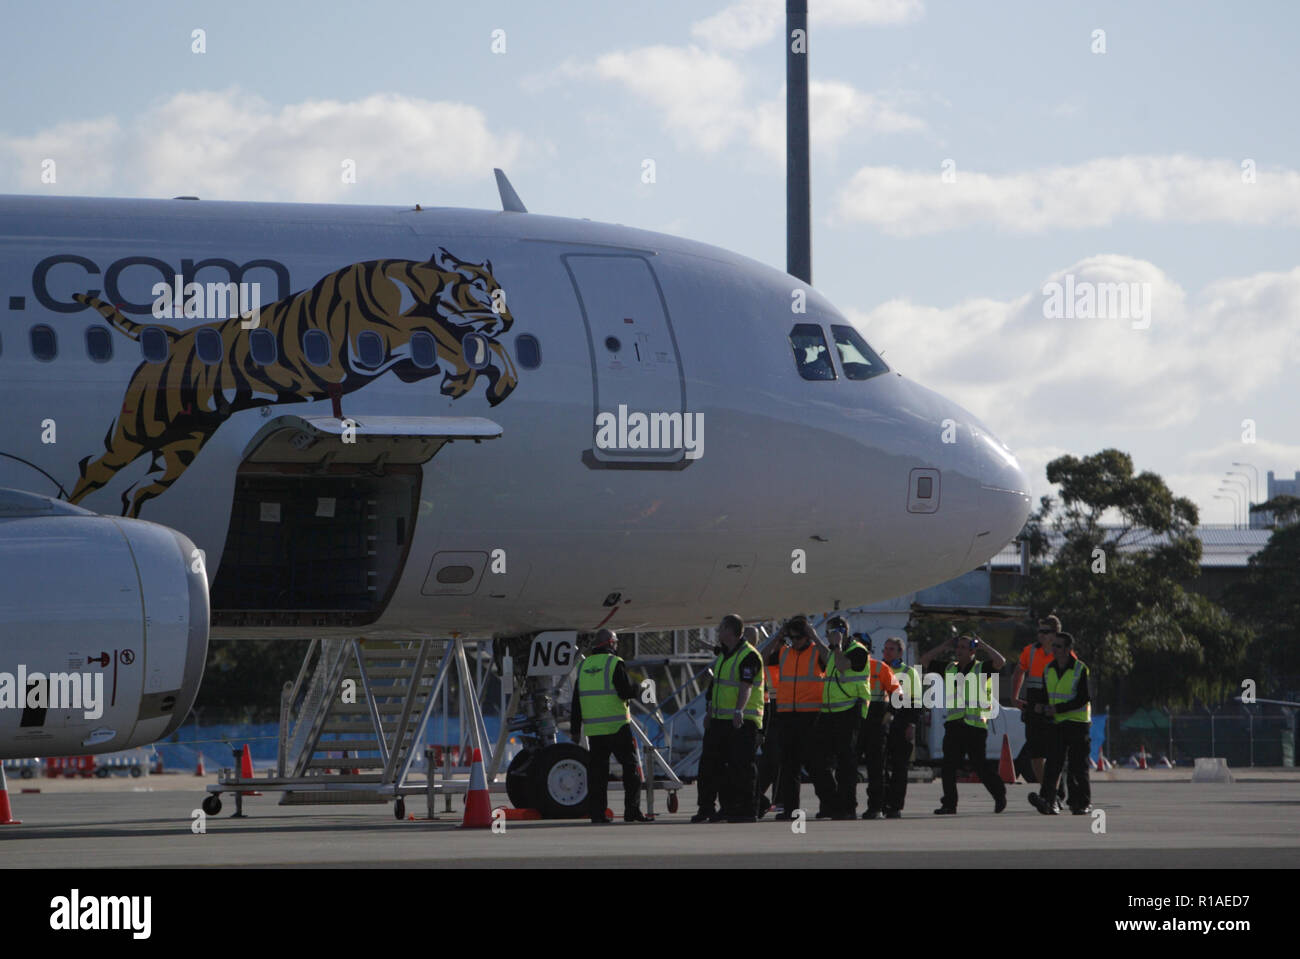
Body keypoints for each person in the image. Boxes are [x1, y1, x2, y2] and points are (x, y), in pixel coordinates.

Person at [920, 634, 1007, 815]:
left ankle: (999, 795)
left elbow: (1000, 661)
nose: (958, 651)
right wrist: (944, 645)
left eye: (963, 648)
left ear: (972, 651)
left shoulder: (982, 668)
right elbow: (925, 660)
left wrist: (984, 644)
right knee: (948, 767)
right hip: (954, 725)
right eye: (957, 647)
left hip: (975, 727)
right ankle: (949, 804)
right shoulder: (950, 668)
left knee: (980, 767)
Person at [571, 629, 649, 823]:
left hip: (594, 731)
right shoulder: (614, 663)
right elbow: (625, 692)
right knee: (630, 770)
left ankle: (597, 814)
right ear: (610, 644)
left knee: (597, 774)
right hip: (617, 727)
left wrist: (575, 730)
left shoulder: (583, 666)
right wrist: (638, 688)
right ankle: (632, 811)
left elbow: (576, 701)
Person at [693, 614, 765, 823]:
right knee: (710, 766)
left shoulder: (749, 656)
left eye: (721, 628)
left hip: (741, 720)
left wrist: (738, 711)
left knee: (741, 766)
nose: (718, 631)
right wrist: (709, 712)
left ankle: (746, 809)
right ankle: (709, 808)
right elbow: (717, 687)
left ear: (731, 631)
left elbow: (746, 686)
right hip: (718, 719)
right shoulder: (725, 655)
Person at [764, 615, 829, 820]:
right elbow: (762, 659)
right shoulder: (784, 652)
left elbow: (831, 661)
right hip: (787, 716)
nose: (796, 642)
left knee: (816, 765)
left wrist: (815, 637)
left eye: (799, 638)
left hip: (810, 717)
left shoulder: (815, 652)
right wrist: (778, 637)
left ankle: (830, 805)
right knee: (789, 766)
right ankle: (790, 809)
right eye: (793, 639)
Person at [1029, 632, 1093, 815]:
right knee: (1053, 764)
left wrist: (1058, 709)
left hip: (1078, 724)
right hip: (1057, 724)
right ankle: (1049, 801)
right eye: (1053, 646)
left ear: (1067, 649)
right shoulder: (1049, 669)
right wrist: (1038, 705)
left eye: (1058, 646)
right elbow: (1044, 693)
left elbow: (1084, 698)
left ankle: (1081, 803)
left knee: (1077, 766)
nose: (1054, 649)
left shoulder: (1080, 669)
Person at [815, 619, 870, 820]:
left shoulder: (858, 651)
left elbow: (841, 666)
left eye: (833, 632)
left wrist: (837, 646)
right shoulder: (833, 652)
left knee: (846, 762)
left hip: (849, 711)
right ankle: (832, 802)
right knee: (817, 760)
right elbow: (827, 659)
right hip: (829, 712)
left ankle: (847, 807)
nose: (830, 635)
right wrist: (814, 636)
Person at [1012, 615, 1069, 800]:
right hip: (1033, 707)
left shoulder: (1064, 653)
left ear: (1055, 634)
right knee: (1035, 753)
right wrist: (1015, 697)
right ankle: (1049, 791)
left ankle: (1053, 792)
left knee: (1055, 754)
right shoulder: (1029, 651)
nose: (1041, 635)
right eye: (1039, 632)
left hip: (1055, 709)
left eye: (1045, 632)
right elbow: (1019, 671)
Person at [879, 636, 921, 819]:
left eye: (891, 649)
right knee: (880, 767)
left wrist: (911, 724)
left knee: (899, 767)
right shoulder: (878, 669)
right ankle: (882, 802)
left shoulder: (908, 672)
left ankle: (895, 805)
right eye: (885, 648)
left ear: (900, 652)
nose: (887, 652)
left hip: (901, 723)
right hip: (881, 725)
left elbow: (916, 702)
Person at [858, 631, 899, 820]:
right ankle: (846, 806)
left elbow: (898, 693)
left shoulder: (879, 667)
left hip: (875, 722)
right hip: (854, 722)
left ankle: (875, 807)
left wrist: (889, 714)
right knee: (847, 767)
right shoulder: (843, 667)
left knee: (876, 769)